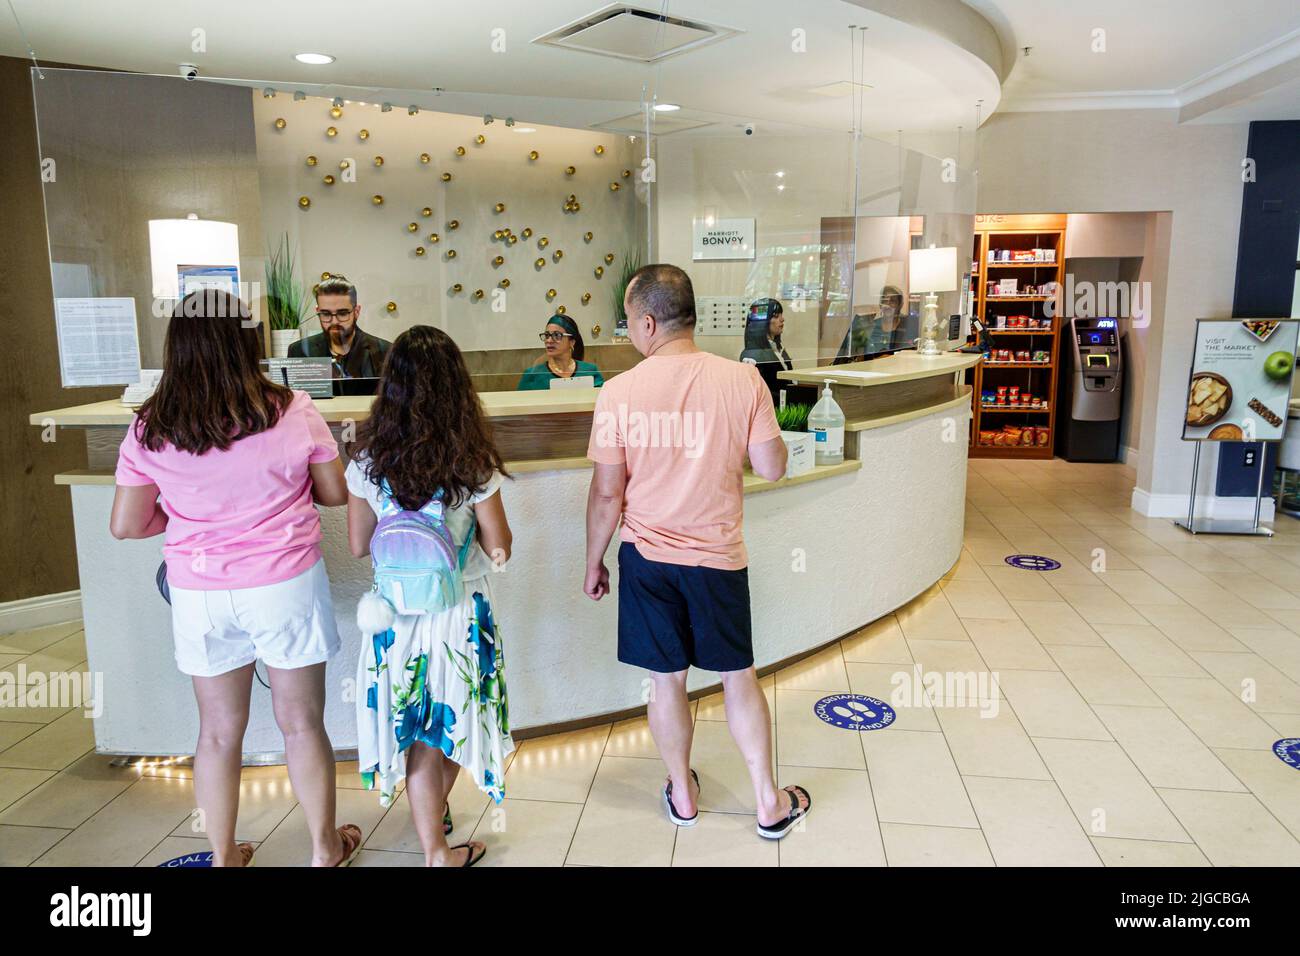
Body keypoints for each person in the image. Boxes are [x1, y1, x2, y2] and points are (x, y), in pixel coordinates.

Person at [110, 289, 360, 867]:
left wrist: (187, 513)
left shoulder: (151, 424)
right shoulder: (293, 408)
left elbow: (126, 523)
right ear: (249, 341)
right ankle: (324, 850)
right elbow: (333, 493)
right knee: (301, 723)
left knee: (218, 733)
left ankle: (224, 857)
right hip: (283, 584)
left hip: (199, 591)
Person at [584, 264, 812, 840]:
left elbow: (608, 491)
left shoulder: (618, 392)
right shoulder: (742, 380)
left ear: (650, 321)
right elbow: (771, 466)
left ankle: (682, 795)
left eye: (631, 321)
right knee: (738, 677)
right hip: (717, 558)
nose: (632, 331)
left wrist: (593, 561)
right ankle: (768, 803)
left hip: (646, 558)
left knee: (668, 682)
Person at [347, 325, 514, 868]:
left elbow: (356, 545)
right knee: (444, 732)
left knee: (417, 730)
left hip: (391, 616)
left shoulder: (367, 462)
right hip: (458, 613)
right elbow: (500, 547)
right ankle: (436, 852)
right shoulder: (472, 460)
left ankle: (430, 825)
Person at [290, 273, 392, 378]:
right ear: (317, 311)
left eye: (342, 313)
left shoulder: (384, 351)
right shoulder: (299, 352)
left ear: (356, 312)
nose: (334, 322)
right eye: (326, 314)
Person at [517, 314, 605, 389]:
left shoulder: (589, 371)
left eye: (557, 335)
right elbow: (520, 406)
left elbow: (601, 404)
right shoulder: (532, 374)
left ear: (572, 342)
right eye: (547, 335)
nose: (549, 340)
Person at [739, 298, 793, 404]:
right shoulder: (752, 355)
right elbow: (758, 392)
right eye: (775, 316)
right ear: (762, 322)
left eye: (781, 315)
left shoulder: (778, 348)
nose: (782, 319)